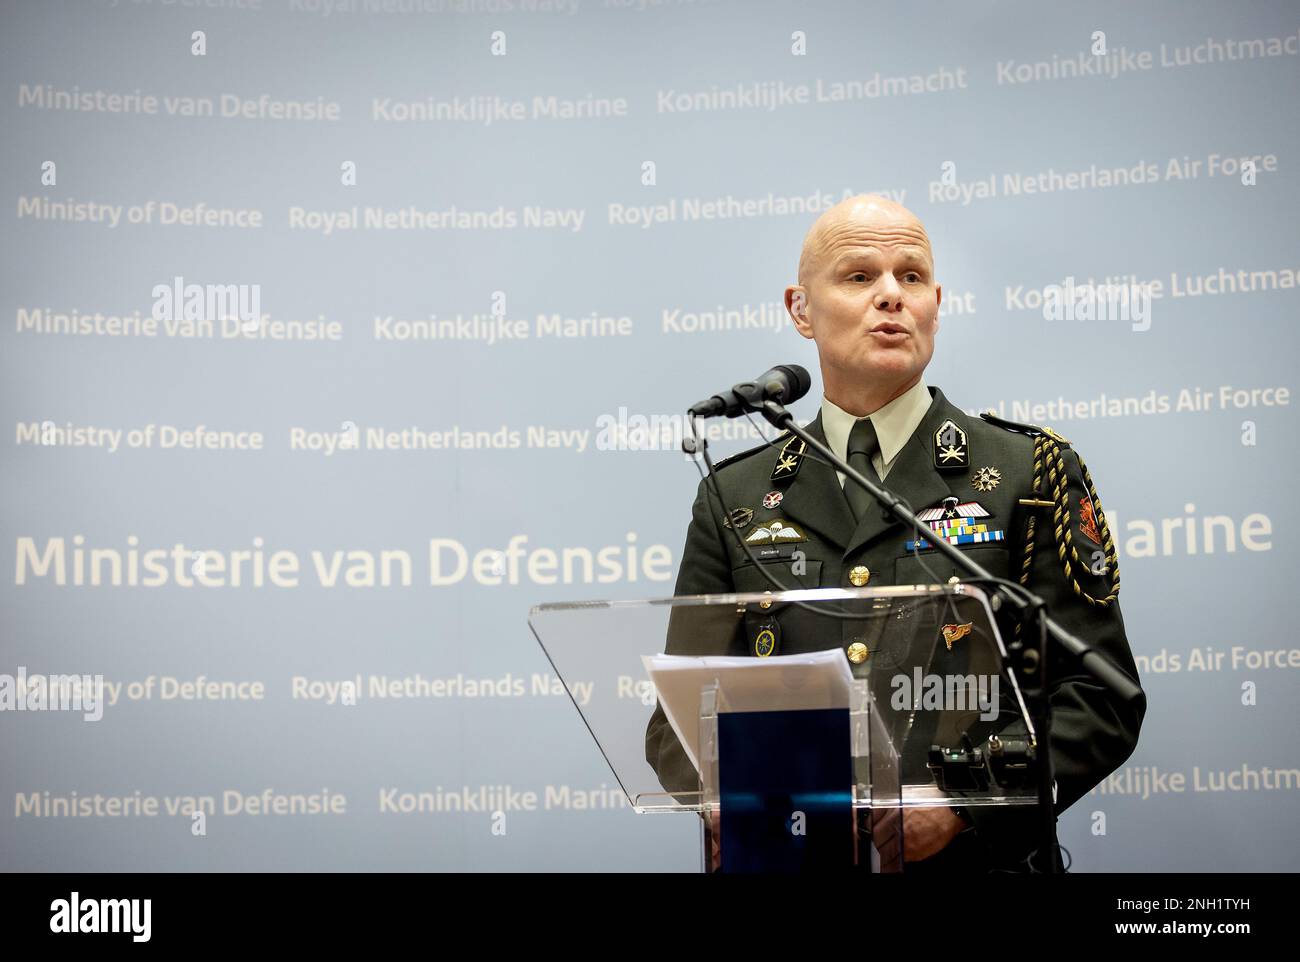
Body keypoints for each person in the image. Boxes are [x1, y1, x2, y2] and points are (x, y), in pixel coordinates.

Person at [644, 194, 1145, 872]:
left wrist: (965, 801)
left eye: (910, 277)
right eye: (859, 277)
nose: (891, 295)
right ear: (800, 309)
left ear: (935, 301)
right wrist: (727, 799)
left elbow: (1099, 699)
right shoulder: (732, 496)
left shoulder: (1026, 470)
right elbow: (678, 722)